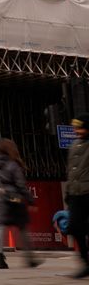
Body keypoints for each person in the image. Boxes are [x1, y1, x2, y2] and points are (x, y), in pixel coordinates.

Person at [0, 138, 39, 269]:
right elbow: (21, 184)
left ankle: (0, 258)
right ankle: (30, 258)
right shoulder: (13, 164)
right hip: (15, 199)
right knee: (22, 227)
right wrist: (30, 200)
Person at [67, 113, 89, 278]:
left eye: (80, 127)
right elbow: (70, 170)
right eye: (76, 128)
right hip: (75, 193)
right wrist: (68, 191)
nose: (77, 131)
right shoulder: (74, 145)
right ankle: (85, 262)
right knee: (74, 227)